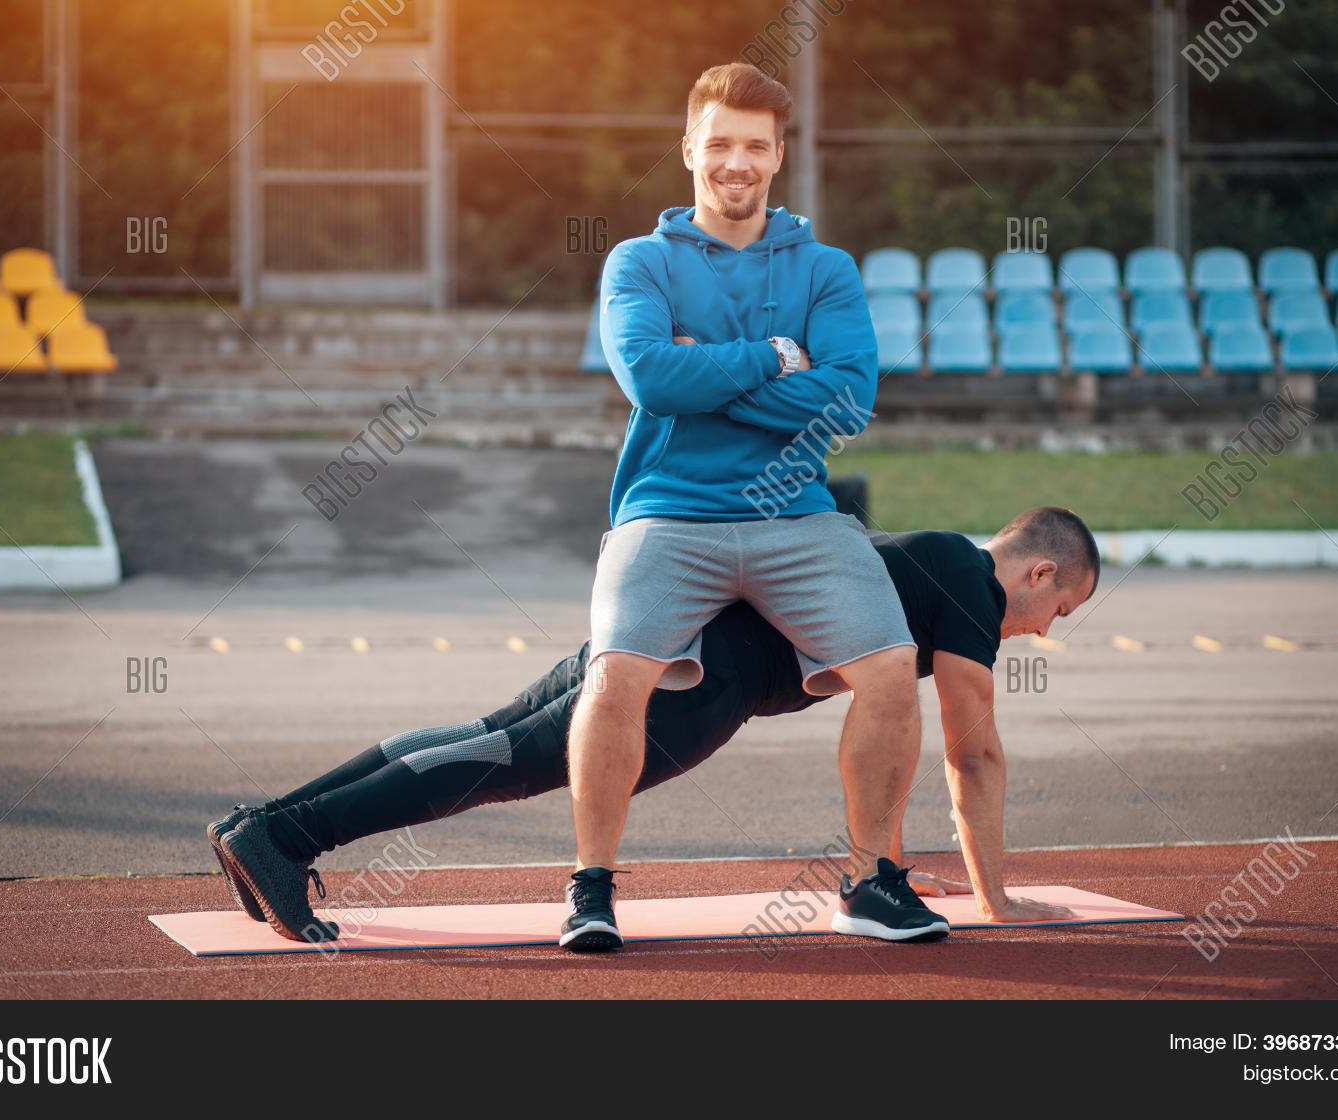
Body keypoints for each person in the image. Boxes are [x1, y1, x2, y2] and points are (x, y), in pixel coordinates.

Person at [211, 508, 1099, 948]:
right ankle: (286, 838)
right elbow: (973, 754)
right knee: (508, 763)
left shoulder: (935, 557)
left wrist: (886, 867)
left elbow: (889, 739)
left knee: (490, 738)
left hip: (665, 628)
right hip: (700, 680)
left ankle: (265, 827)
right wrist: (998, 900)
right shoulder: (971, 589)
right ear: (1039, 572)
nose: (1047, 630)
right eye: (1061, 609)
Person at [565, 61, 922, 952]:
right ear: (689, 149)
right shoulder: (640, 261)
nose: (737, 162)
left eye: (755, 147)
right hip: (666, 511)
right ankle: (591, 888)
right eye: (719, 143)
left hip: (795, 513)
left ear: (778, 156)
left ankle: (871, 884)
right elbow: (651, 377)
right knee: (613, 676)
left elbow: (848, 403)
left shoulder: (825, 268)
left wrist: (708, 370)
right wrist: (774, 356)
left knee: (891, 666)